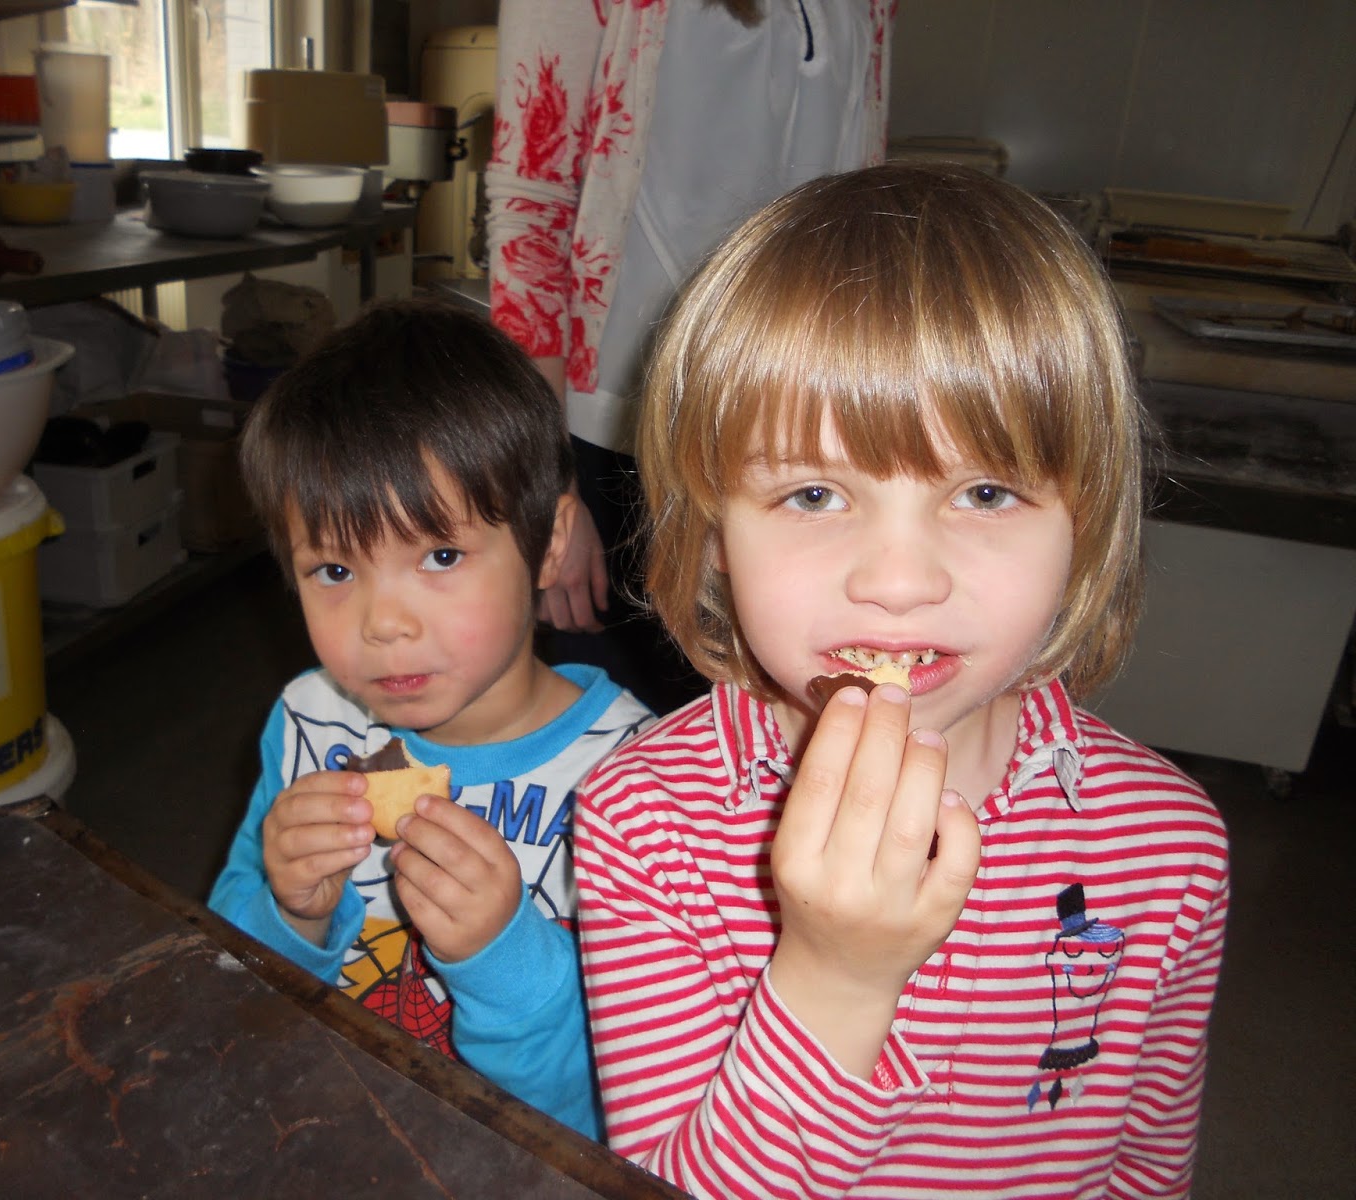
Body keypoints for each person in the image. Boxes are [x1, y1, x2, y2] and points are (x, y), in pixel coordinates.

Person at [573, 163, 1231, 1197]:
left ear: (1085, 531)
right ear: (709, 540)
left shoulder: (1169, 846)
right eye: (810, 493)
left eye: (982, 490)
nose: (897, 582)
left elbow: (1148, 1161)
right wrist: (835, 977)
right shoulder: (641, 822)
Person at [209, 299, 654, 1139]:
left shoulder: (635, 778)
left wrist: (502, 954)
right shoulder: (312, 722)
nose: (383, 623)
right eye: (333, 568)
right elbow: (230, 977)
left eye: (440, 556)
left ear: (552, 542)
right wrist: (290, 909)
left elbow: (623, 1108)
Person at [486, 0, 895, 714]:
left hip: (803, 433)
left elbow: (864, 202)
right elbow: (531, 205)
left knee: (777, 739)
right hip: (617, 441)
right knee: (620, 759)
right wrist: (544, 484)